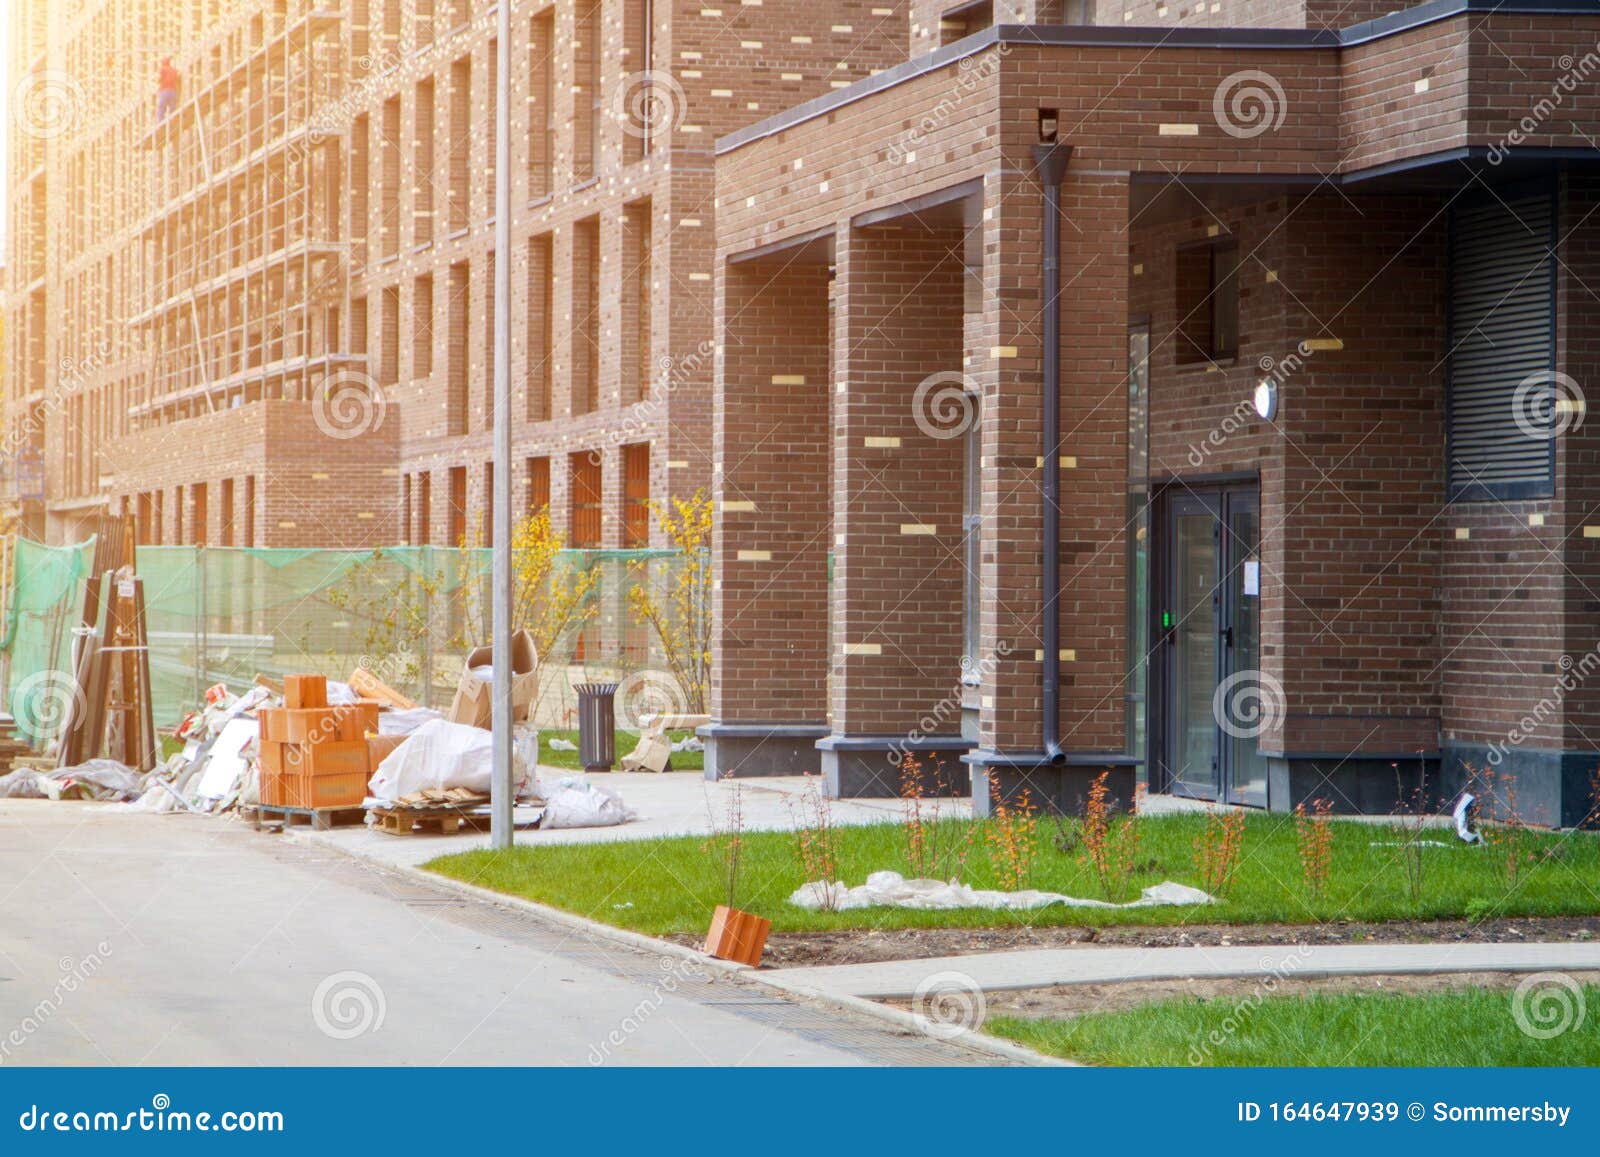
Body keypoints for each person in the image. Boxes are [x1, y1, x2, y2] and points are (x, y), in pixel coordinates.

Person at [156, 58, 180, 123]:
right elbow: (177, 79)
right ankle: (172, 120)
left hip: (164, 90)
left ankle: (160, 122)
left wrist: (158, 82)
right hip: (173, 91)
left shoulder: (162, 69)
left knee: (161, 107)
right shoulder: (174, 70)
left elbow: (159, 78)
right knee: (172, 107)